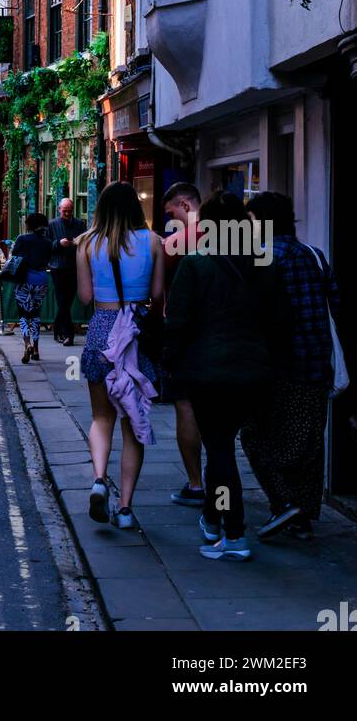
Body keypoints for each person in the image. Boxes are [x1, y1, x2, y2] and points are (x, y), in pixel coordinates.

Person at [163, 190, 288, 562]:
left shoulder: (196, 264)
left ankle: (232, 532)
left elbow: (178, 323)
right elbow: (281, 322)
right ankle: (212, 519)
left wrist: (171, 363)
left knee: (219, 451)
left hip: (209, 374)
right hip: (255, 374)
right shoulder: (264, 263)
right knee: (223, 448)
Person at [241, 192, 342, 543]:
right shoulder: (315, 255)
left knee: (256, 435)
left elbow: (257, 314)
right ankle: (302, 516)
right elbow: (336, 306)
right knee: (310, 445)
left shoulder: (265, 257)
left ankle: (284, 502)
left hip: (279, 365)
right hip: (318, 364)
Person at [77, 181, 165, 529]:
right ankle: (126, 508)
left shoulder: (86, 243)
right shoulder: (154, 242)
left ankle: (99, 479)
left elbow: (85, 297)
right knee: (133, 424)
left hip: (102, 330)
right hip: (136, 336)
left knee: (102, 418)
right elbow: (157, 294)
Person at [161, 181, 205, 510]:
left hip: (188, 337)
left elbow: (158, 287)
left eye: (171, 212)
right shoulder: (237, 239)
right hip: (230, 336)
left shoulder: (177, 241)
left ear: (185, 206)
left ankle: (196, 483)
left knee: (186, 405)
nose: (169, 219)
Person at [6, 213, 52, 363]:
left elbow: (14, 257)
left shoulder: (22, 239)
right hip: (41, 280)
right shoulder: (47, 242)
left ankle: (27, 345)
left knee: (24, 315)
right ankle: (37, 350)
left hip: (24, 280)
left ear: (30, 225)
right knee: (36, 314)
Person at [47, 197, 86, 345]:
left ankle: (58, 331)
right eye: (65, 212)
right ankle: (69, 334)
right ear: (59, 210)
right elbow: (47, 245)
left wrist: (78, 242)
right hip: (58, 268)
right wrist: (58, 243)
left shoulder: (80, 224)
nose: (68, 214)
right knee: (62, 301)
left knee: (66, 303)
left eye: (70, 211)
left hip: (74, 267)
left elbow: (85, 243)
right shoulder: (52, 224)